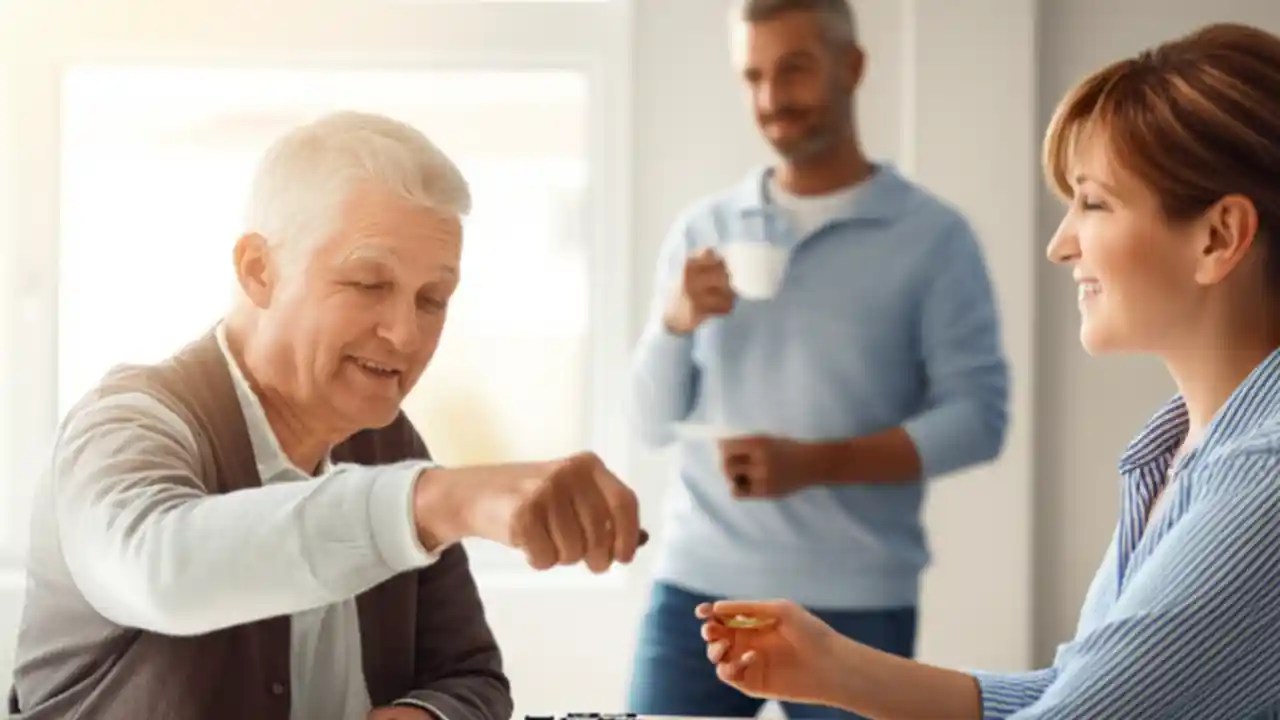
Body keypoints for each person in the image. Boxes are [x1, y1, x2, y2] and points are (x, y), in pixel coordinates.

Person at [696, 21, 1280, 720]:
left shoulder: (1262, 474)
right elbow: (1076, 692)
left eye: (1093, 203)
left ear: (1219, 237)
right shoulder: (1180, 452)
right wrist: (837, 668)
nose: (1062, 245)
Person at [7, 111, 644, 720]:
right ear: (260, 271)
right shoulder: (127, 424)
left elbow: (471, 676)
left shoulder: (390, 444)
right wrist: (432, 502)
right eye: (368, 284)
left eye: (433, 299)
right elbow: (160, 569)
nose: (403, 334)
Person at [626, 0, 1008, 717]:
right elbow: (648, 424)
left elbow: (977, 420)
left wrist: (816, 463)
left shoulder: (932, 237)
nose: (771, 99)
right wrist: (672, 324)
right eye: (753, 76)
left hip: (857, 602)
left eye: (793, 70)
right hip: (697, 589)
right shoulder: (705, 230)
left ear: (852, 67)